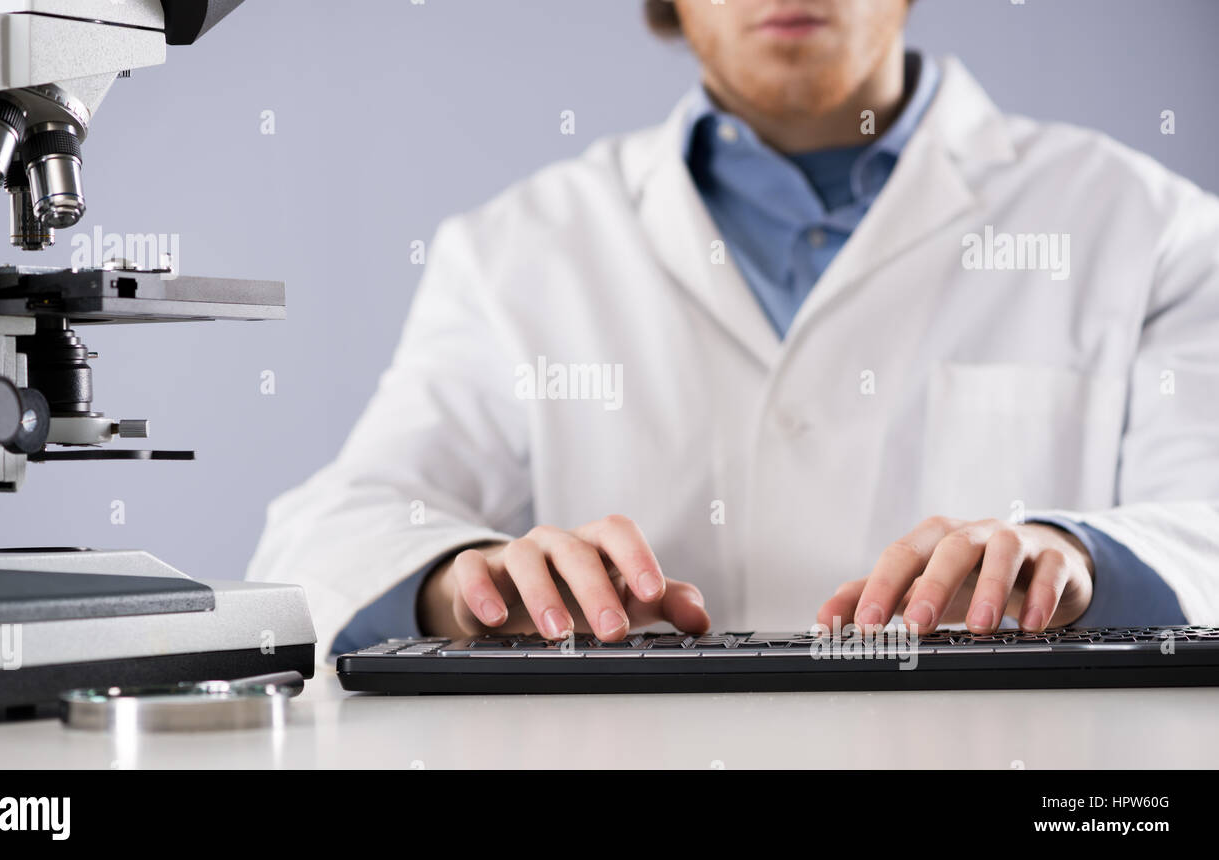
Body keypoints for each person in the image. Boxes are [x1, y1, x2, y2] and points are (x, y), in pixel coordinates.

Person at [248, 0, 1219, 656]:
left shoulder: (1147, 226)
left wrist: (1080, 555)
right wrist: (459, 582)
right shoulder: (516, 250)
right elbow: (325, 537)